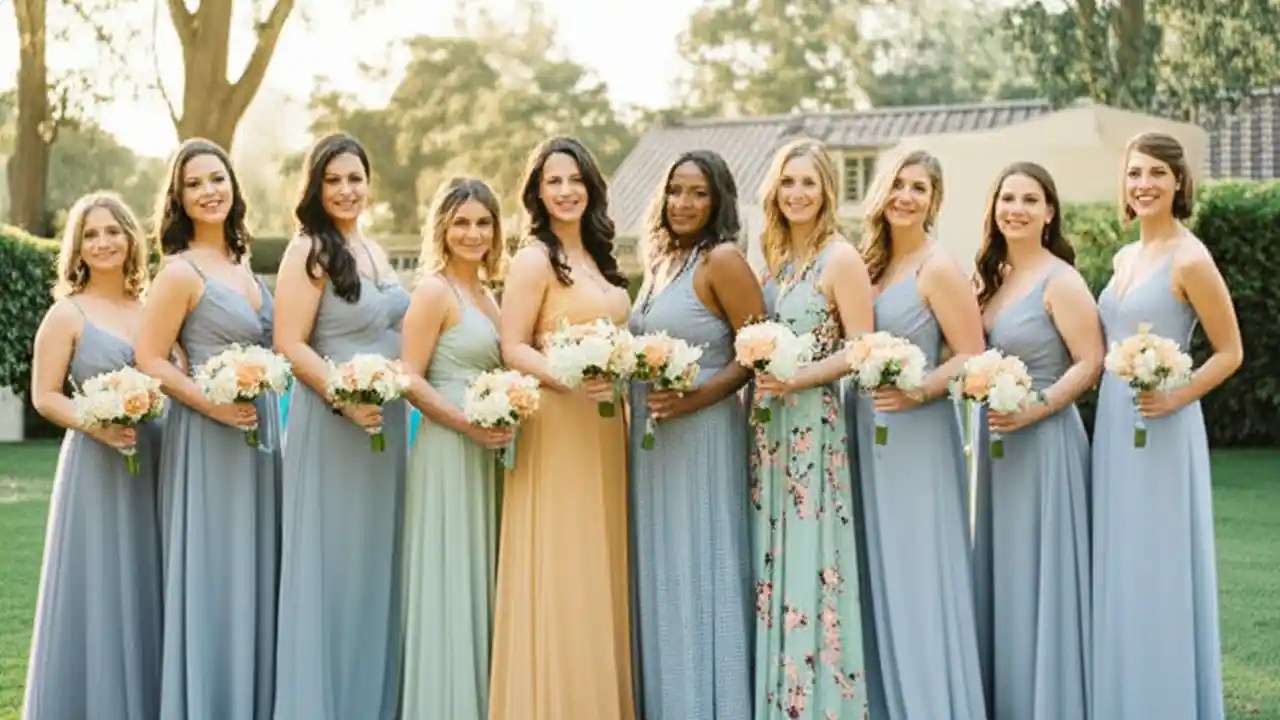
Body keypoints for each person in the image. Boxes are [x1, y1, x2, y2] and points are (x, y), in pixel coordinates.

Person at [1092, 132, 1241, 720]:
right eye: (1135, 173)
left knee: (1157, 563)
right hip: (1114, 423)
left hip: (1162, 426)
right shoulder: (1124, 258)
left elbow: (1230, 352)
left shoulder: (1190, 258)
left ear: (1179, 182)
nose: (1144, 184)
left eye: (1157, 172)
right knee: (1122, 562)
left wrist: (1176, 396)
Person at [488, 137, 635, 720]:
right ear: (538, 192)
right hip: (557, 423)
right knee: (565, 563)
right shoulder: (533, 260)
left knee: (599, 565)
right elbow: (512, 345)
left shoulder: (598, 257)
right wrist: (570, 377)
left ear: (591, 187)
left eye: (575, 179)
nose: (567, 190)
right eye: (554, 181)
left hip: (606, 428)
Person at [136, 138, 281, 719]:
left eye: (217, 179)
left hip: (258, 436)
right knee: (214, 571)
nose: (209, 191)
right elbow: (149, 357)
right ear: (179, 198)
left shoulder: (242, 265)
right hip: (206, 436)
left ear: (233, 186)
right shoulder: (180, 272)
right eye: (194, 184)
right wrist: (212, 407)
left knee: (255, 569)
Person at [271, 133, 410, 719]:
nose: (347, 190)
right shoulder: (308, 250)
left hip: (387, 430)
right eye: (334, 180)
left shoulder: (373, 249)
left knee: (376, 570)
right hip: (332, 428)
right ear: (316, 187)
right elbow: (289, 342)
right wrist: (344, 400)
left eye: (356, 178)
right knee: (333, 571)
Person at [849, 149, 988, 719]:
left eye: (919, 188)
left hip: (918, 437)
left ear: (934, 201)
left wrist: (919, 391)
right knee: (876, 570)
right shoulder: (869, 265)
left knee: (918, 573)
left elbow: (972, 353)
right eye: (898, 185)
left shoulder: (938, 268)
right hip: (866, 432)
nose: (906, 197)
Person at [628, 150, 763, 719]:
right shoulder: (662, 260)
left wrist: (695, 399)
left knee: (700, 566)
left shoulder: (722, 260)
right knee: (662, 572)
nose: (683, 203)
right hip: (652, 443)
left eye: (698, 193)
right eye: (675, 191)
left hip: (703, 434)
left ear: (718, 200)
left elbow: (756, 352)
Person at [23, 192, 162, 719]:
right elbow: (45, 396)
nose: (103, 243)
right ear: (77, 248)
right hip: (96, 469)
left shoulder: (151, 310)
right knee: (100, 586)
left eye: (113, 231)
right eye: (91, 234)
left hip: (155, 464)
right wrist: (98, 425)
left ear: (131, 239)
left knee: (149, 582)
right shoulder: (67, 314)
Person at [974, 162, 1102, 719]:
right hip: (998, 448)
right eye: (1008, 198)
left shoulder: (1061, 280)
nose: (1017, 209)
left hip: (1046, 445)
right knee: (1006, 577)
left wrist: (1036, 408)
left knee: (1042, 576)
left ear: (1049, 212)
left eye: (1030, 200)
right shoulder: (994, 279)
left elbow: (1090, 362)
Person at [750, 138, 872, 719]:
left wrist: (797, 378)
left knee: (809, 552)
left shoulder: (839, 259)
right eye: (787, 182)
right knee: (772, 553)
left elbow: (861, 347)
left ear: (827, 191)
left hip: (812, 429)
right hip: (767, 429)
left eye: (808, 182)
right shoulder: (773, 260)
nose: (797, 193)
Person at [399, 177, 512, 719]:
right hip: (448, 448)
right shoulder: (434, 292)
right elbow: (409, 376)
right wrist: (466, 424)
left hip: (489, 452)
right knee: (450, 579)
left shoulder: (489, 295)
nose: (473, 233)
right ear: (442, 228)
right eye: (461, 222)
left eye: (483, 222)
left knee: (483, 578)